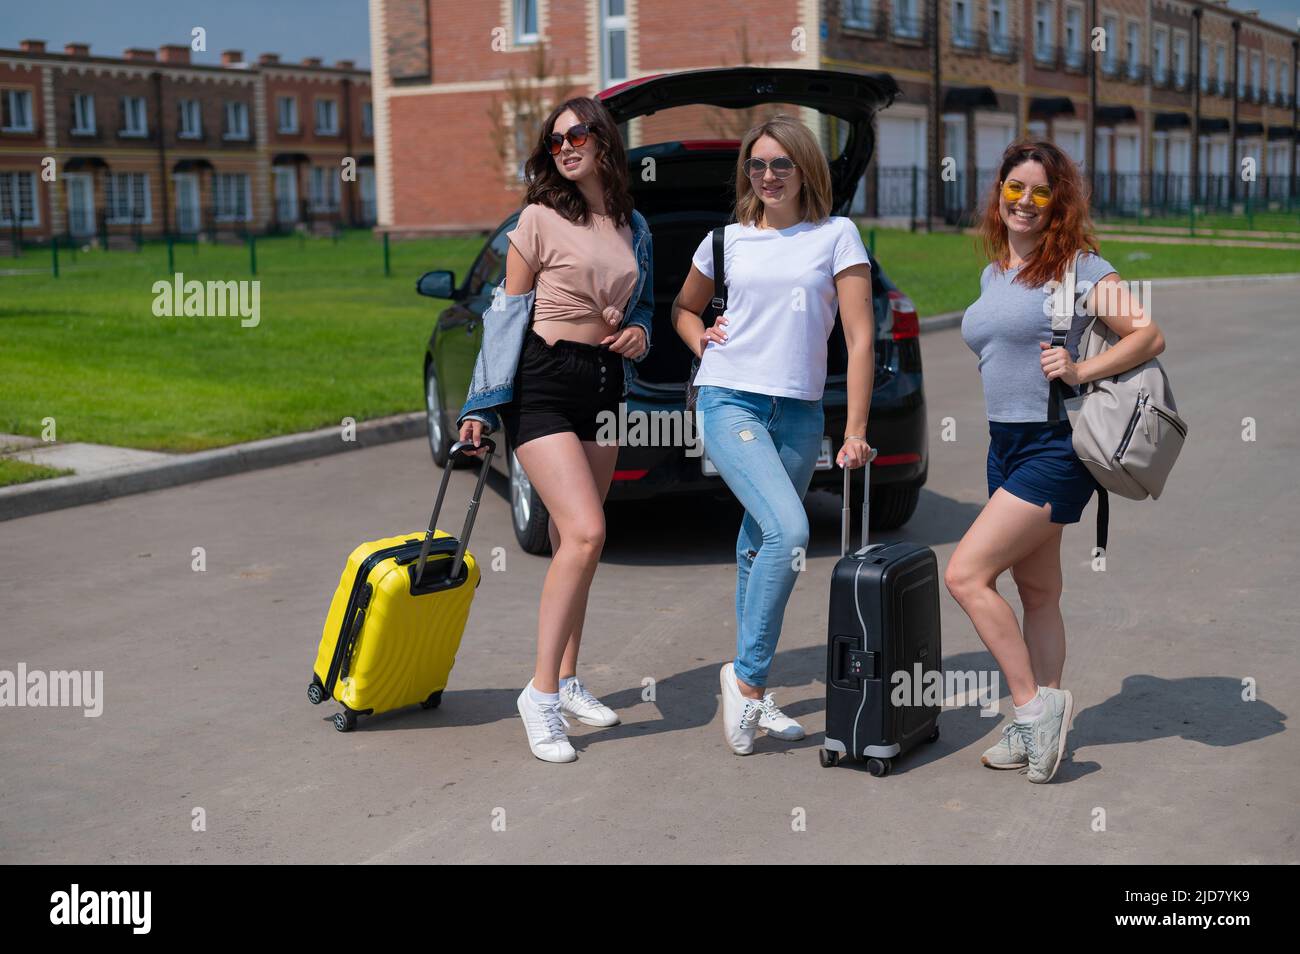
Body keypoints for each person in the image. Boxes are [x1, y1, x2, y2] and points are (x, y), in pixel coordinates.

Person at [949, 140, 1165, 782]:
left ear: (1057, 201)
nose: (1024, 200)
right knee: (1038, 591)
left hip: (1055, 446)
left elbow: (1148, 334)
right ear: (1000, 194)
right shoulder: (995, 274)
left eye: (1040, 190)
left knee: (965, 575)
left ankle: (1031, 710)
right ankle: (1040, 736)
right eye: (1014, 187)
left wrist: (1080, 368)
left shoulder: (1079, 267)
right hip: (1004, 445)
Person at [456, 97, 655, 763]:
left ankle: (568, 681)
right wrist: (481, 409)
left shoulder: (634, 225)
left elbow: (644, 304)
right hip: (542, 383)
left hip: (603, 385)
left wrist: (639, 331)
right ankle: (539, 695)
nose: (566, 146)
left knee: (582, 541)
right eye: (555, 140)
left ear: (605, 142)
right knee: (587, 531)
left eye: (578, 134)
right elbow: (505, 313)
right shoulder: (536, 219)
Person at [671, 115, 874, 755]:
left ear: (805, 168)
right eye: (756, 165)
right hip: (730, 399)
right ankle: (750, 682)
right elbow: (683, 307)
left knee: (759, 542)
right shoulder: (724, 241)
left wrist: (857, 426)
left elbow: (860, 335)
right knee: (789, 532)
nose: (767, 176)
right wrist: (698, 337)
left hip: (801, 412)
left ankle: (750, 689)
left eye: (780, 164)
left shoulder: (836, 235)